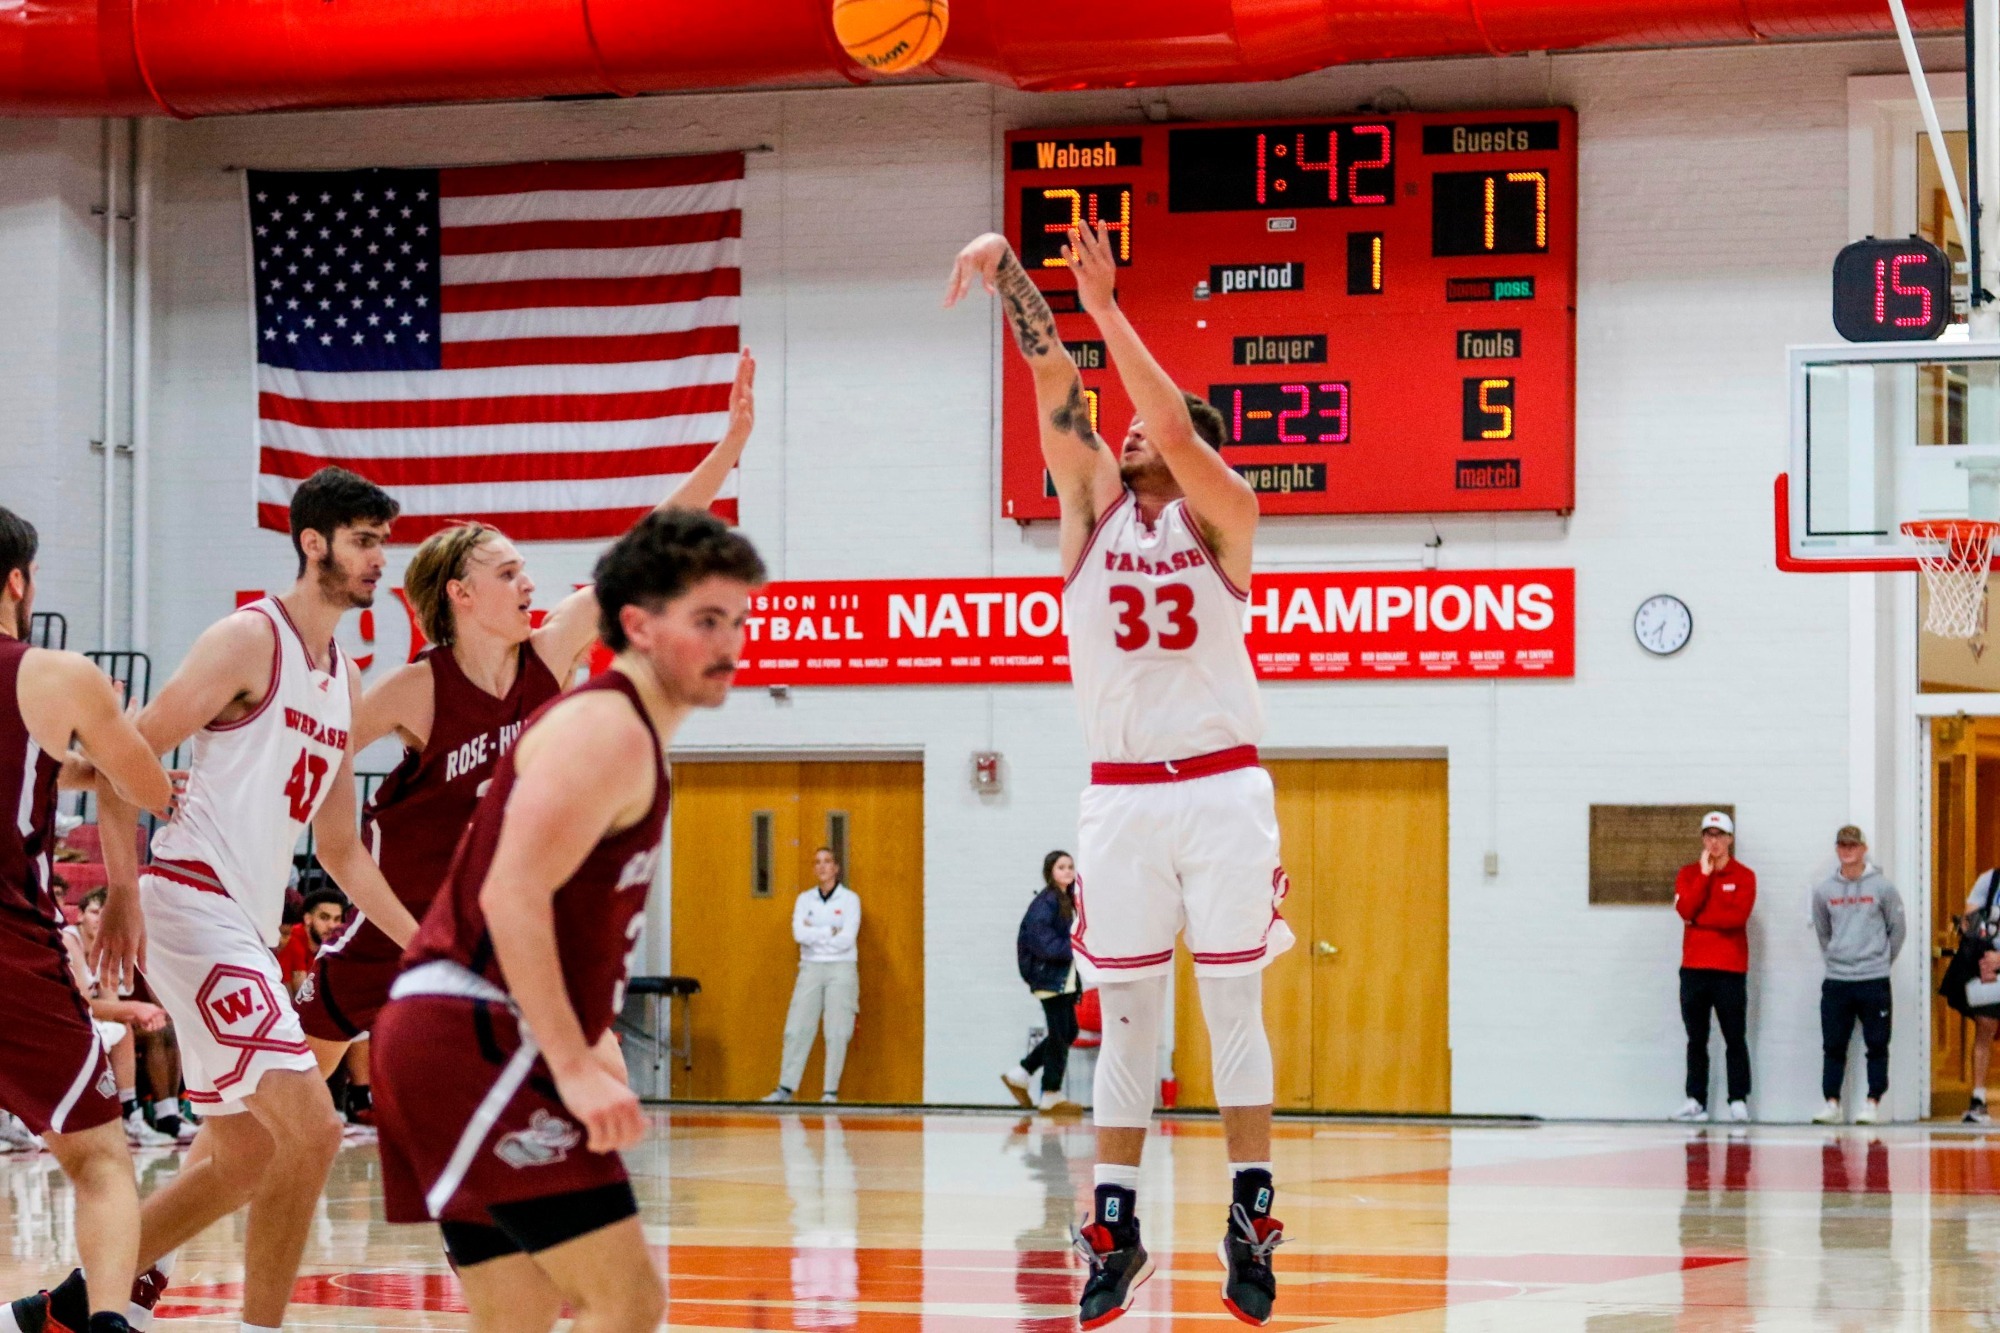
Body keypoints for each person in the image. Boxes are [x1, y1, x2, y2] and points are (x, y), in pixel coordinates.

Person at [947, 223, 1290, 1328]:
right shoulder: (1092, 509)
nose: (1130, 427)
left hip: (1222, 787)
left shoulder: (1226, 516)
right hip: (1121, 793)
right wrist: (1009, 270)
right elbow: (1057, 386)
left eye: (1151, 422)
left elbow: (1172, 422)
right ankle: (1115, 1224)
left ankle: (1249, 1216)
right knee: (1126, 1019)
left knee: (1231, 1005)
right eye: (1128, 422)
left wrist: (1107, 307)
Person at [296, 348, 758, 1128]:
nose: (530, 583)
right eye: (509, 572)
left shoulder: (551, 651)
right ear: (462, 594)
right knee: (279, 1112)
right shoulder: (417, 688)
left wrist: (730, 446)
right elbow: (312, 752)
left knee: (603, 1088)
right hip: (397, 925)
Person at [29, 467, 419, 1333]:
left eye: (383, 543)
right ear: (313, 542)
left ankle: (62, 1309)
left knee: (247, 1153)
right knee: (313, 1130)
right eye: (363, 541)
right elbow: (127, 754)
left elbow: (341, 849)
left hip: (241, 920)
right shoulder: (249, 638)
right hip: (190, 897)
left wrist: (424, 938)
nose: (377, 559)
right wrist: (123, 889)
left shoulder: (342, 681)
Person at [372, 508, 765, 1333]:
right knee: (626, 1299)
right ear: (639, 625)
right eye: (705, 619)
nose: (729, 642)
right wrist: (575, 1062)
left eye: (736, 619)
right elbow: (510, 896)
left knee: (518, 1316)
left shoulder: (625, 730)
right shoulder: (605, 729)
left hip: (453, 1031)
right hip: (473, 1031)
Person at [0, 504, 175, 1333]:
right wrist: (118, 738)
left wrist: (66, 768)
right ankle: (103, 1321)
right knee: (101, 1159)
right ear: (17, 581)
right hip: (10, 946)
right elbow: (149, 787)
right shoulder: (55, 673)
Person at [63, 889, 180, 1147]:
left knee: (129, 1027)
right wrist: (135, 1008)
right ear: (80, 915)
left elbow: (111, 1001)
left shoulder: (104, 945)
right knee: (120, 1025)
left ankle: (137, 1115)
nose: (100, 919)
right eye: (94, 912)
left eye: (105, 913)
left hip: (84, 1019)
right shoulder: (69, 941)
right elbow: (81, 1004)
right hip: (62, 1018)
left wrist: (133, 1012)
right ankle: (120, 1115)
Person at [1809, 825, 1905, 1126]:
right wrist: (1837, 957)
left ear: (1863, 849)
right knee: (1833, 1045)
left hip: (1873, 979)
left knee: (1877, 1044)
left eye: (1853, 845)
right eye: (1842, 845)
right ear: (1837, 849)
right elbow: (1823, 931)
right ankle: (1832, 1103)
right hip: (1837, 980)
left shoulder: (1883, 887)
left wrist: (1879, 961)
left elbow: (1897, 931)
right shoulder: (1824, 890)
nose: (1847, 850)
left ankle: (1872, 1102)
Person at [1671, 811, 1758, 1124]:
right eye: (1709, 835)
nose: (1714, 841)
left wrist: (1700, 920)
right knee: (1696, 1038)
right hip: (1694, 967)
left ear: (1730, 839)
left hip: (1730, 969)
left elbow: (1736, 918)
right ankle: (1696, 1100)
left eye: (1720, 835)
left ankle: (1738, 1099)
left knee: (1735, 1036)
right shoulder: (1688, 874)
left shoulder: (1744, 875)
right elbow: (1686, 909)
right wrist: (1705, 876)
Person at [763, 848, 862, 1106]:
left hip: (841, 968)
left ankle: (830, 1092)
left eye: (827, 861)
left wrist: (816, 933)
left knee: (837, 1030)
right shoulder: (804, 900)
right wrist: (830, 931)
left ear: (836, 868)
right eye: (817, 862)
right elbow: (799, 935)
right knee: (797, 1028)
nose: (822, 866)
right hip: (811, 967)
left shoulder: (849, 900)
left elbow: (847, 939)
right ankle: (785, 1088)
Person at [1003, 850, 1084, 1115]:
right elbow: (1043, 943)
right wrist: (1077, 948)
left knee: (1067, 1031)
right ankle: (1050, 1093)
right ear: (1050, 872)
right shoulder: (1045, 903)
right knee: (1061, 1033)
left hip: (1063, 978)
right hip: (1049, 977)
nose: (1068, 871)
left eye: (1070, 866)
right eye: (1061, 867)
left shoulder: (1065, 900)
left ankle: (1022, 1072)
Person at [1958, 866, 2000, 1123]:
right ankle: (1978, 1098)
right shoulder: (1991, 880)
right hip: (1990, 965)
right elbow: (1970, 921)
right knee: (1985, 1026)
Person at [277, 888, 348, 995]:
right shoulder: (292, 940)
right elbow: (302, 996)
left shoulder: (335, 945)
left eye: (337, 919)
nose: (332, 926)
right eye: (324, 918)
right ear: (308, 918)